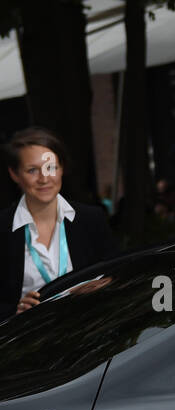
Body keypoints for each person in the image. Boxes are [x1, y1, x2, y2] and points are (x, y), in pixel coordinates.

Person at [3, 127, 115, 315]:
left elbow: (118, 273)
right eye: (32, 170)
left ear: (62, 168)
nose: (44, 178)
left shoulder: (91, 219)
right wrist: (14, 311)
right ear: (15, 174)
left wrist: (100, 285)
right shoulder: (3, 230)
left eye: (51, 167)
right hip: (30, 339)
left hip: (91, 330)